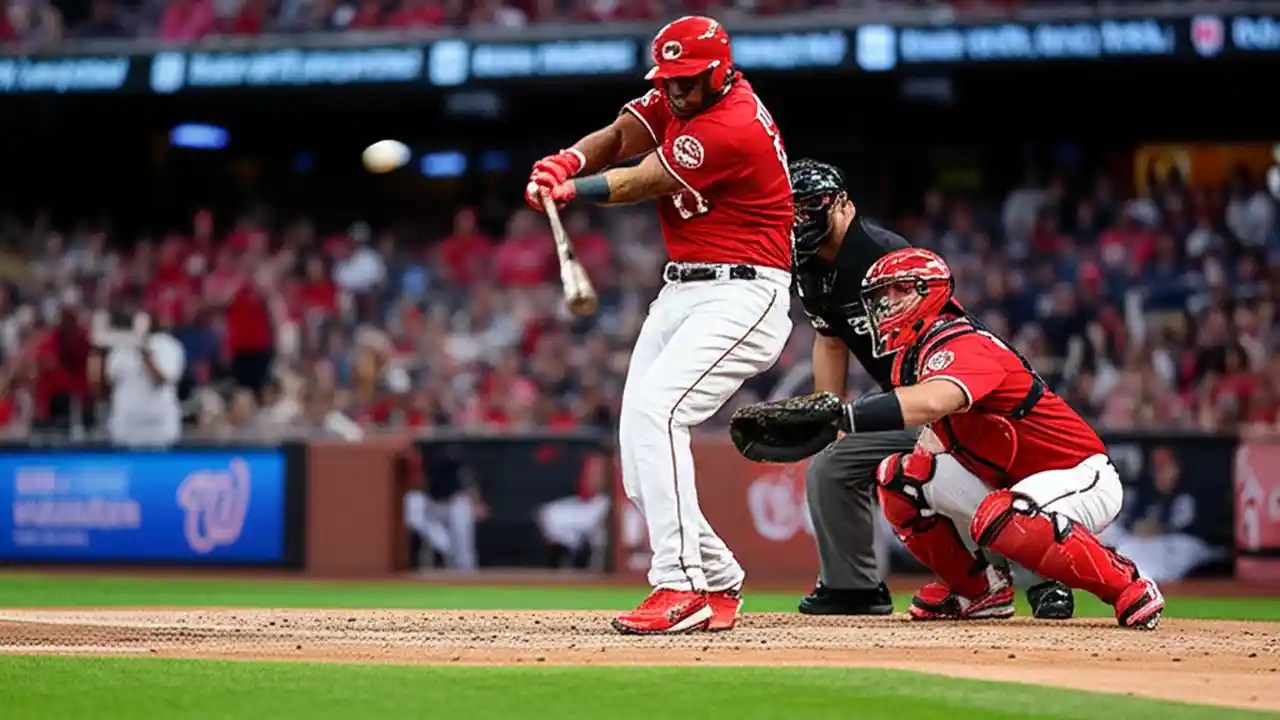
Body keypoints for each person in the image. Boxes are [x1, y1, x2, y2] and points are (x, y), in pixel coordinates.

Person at [525, 15, 794, 634]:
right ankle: (719, 576)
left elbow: (646, 177)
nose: (674, 90)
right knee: (638, 455)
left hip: (745, 291)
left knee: (659, 414)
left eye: (686, 80)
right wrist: (568, 158)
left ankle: (680, 585)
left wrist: (574, 190)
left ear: (718, 72)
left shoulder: (733, 124)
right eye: (667, 79)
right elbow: (623, 135)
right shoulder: (678, 98)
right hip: (683, 290)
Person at [787, 159, 1074, 619]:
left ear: (843, 204)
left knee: (963, 466)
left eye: (811, 206)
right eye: (793, 209)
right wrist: (829, 414)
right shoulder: (809, 267)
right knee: (830, 465)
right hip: (902, 402)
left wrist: (933, 415)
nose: (801, 218)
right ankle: (853, 587)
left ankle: (1044, 577)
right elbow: (830, 339)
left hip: (953, 391)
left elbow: (935, 332)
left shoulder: (882, 254)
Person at [841, 247, 1164, 628]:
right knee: (900, 478)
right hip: (1010, 485)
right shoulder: (910, 357)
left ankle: (1128, 584)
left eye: (899, 290)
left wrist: (843, 415)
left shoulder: (963, 342)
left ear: (930, 292)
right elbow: (931, 439)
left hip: (1080, 474)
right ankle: (978, 591)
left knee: (1003, 514)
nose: (887, 303)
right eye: (883, 294)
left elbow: (934, 400)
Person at [98, 313, 186, 448]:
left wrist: (144, 353)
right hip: (126, 429)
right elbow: (108, 381)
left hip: (159, 430)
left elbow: (162, 380)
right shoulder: (122, 347)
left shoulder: (169, 346)